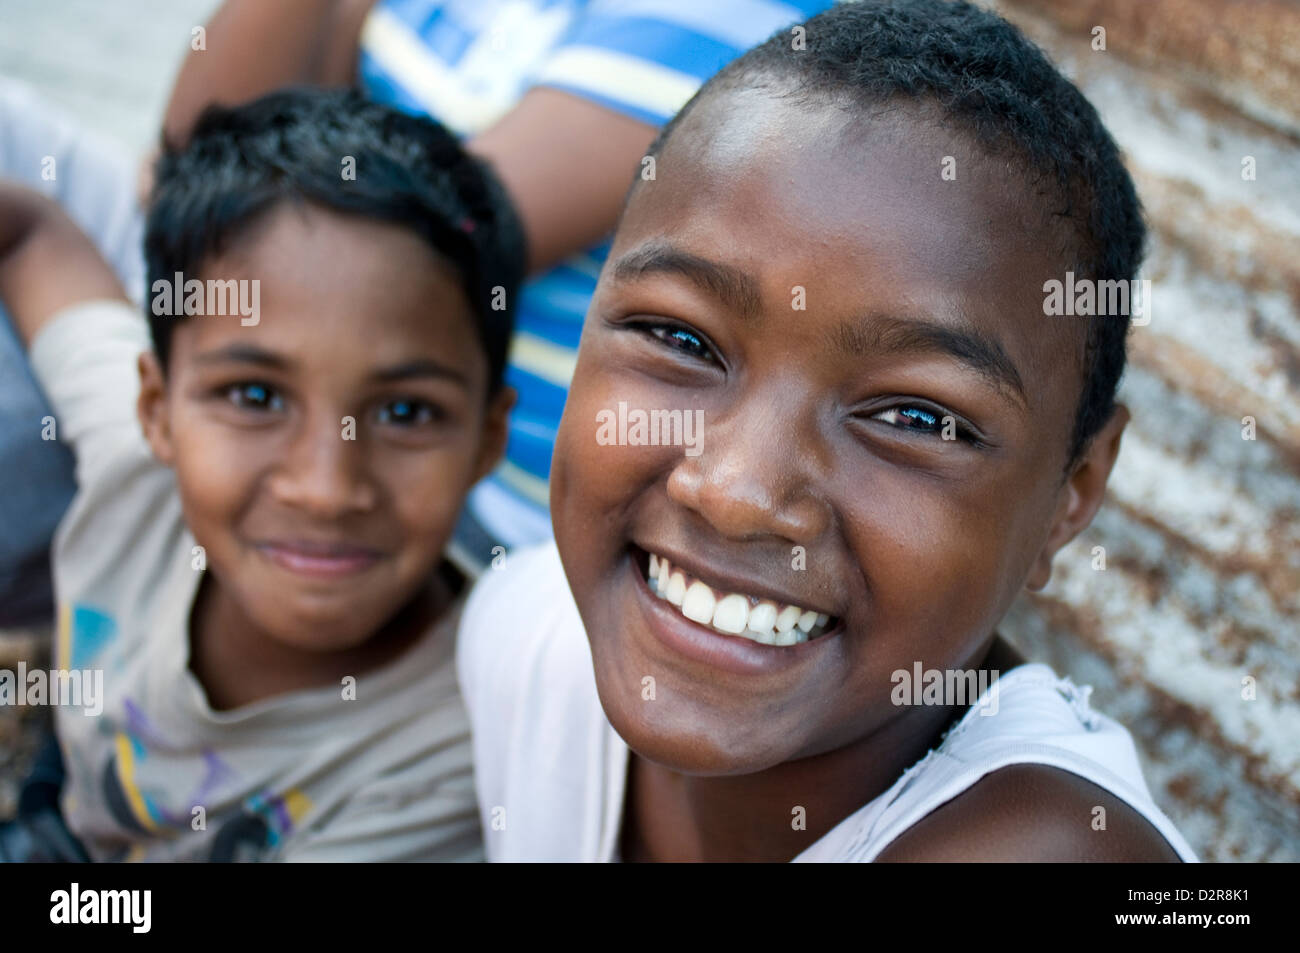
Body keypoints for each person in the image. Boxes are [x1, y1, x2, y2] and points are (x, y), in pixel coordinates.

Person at [456, 0, 1200, 862]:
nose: (736, 492)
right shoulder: (523, 634)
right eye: (681, 338)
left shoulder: (1057, 852)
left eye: (918, 418)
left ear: (1073, 493)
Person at [0, 87, 522, 861]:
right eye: (256, 396)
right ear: (156, 408)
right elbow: (30, 234)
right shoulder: (136, 467)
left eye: (406, 413)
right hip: (72, 796)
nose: (325, 486)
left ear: (486, 437)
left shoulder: (447, 761)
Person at [158, 0, 835, 570]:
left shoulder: (727, 17)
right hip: (359, 441)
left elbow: (404, 264)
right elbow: (206, 169)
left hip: (508, 532)